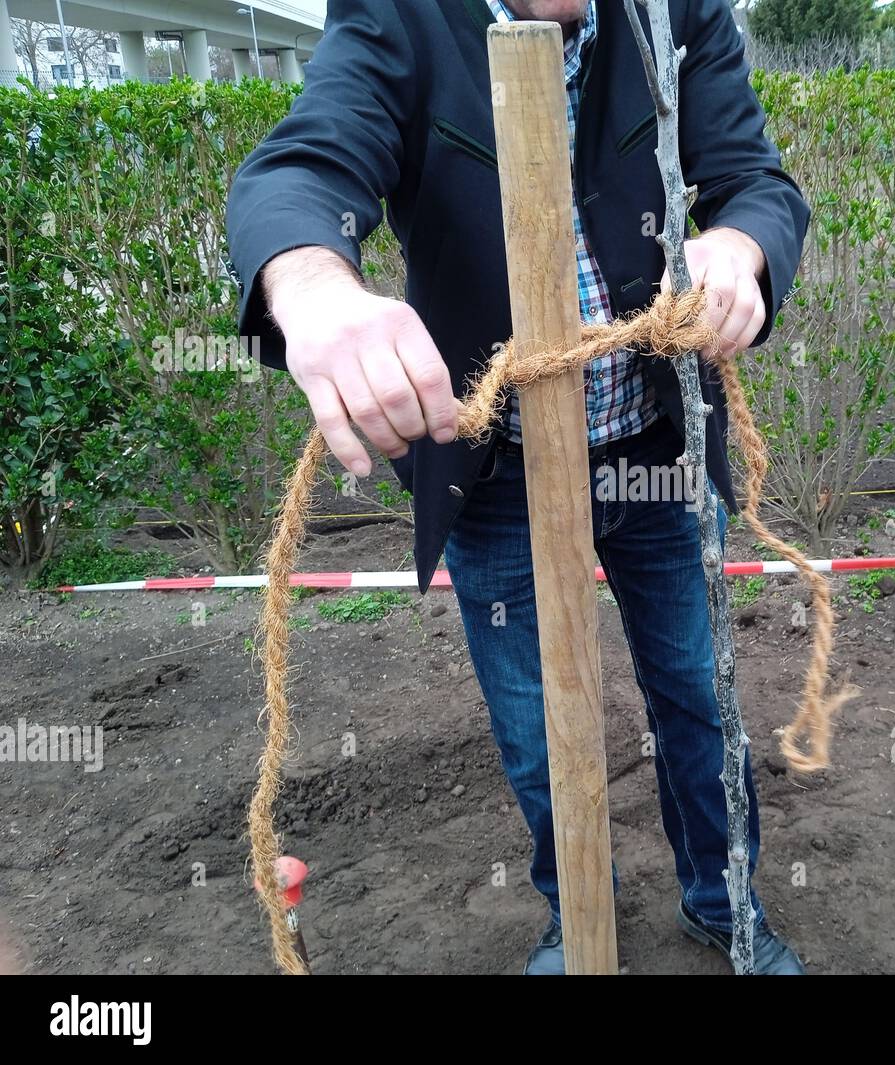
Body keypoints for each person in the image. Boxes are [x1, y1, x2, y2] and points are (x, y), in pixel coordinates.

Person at [226, 0, 810, 974]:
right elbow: (301, 171)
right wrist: (314, 286)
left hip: (656, 446)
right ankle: (575, 914)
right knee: (538, 730)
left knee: (699, 702)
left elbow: (757, 183)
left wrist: (741, 248)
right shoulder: (399, 16)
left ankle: (721, 899)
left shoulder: (674, 14)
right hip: (492, 472)